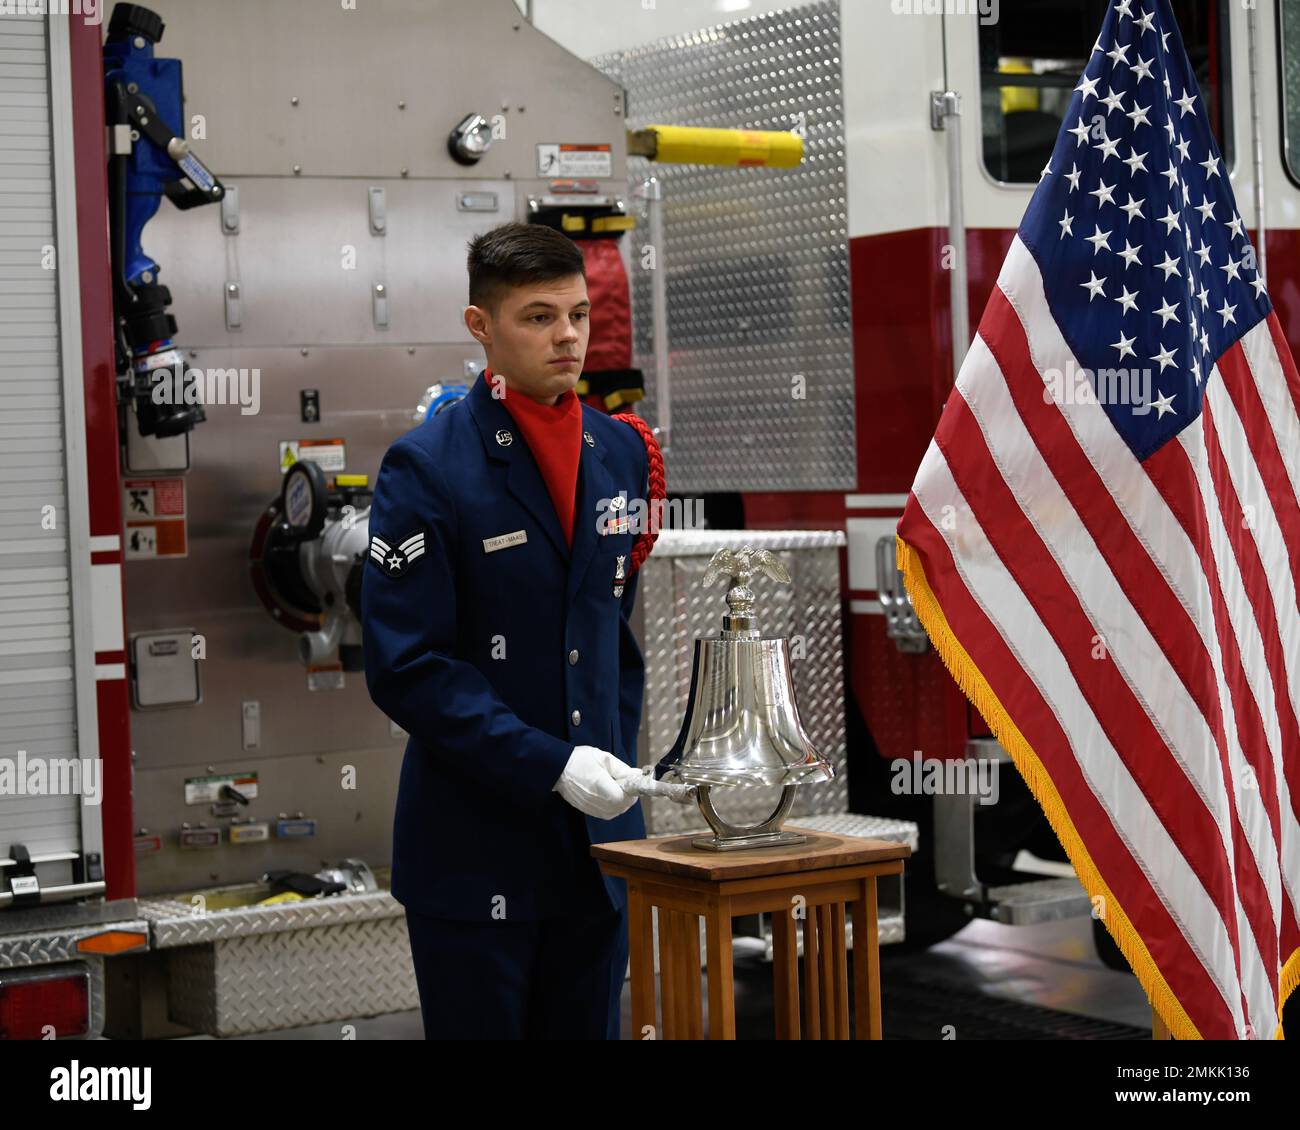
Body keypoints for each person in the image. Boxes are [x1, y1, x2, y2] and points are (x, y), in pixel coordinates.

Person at [361, 221, 676, 1039]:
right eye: (538, 317)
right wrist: (551, 763)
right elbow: (409, 667)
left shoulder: (622, 453)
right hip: (477, 859)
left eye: (577, 315)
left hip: (597, 857)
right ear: (481, 327)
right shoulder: (428, 467)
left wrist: (607, 758)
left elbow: (609, 634)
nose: (567, 337)